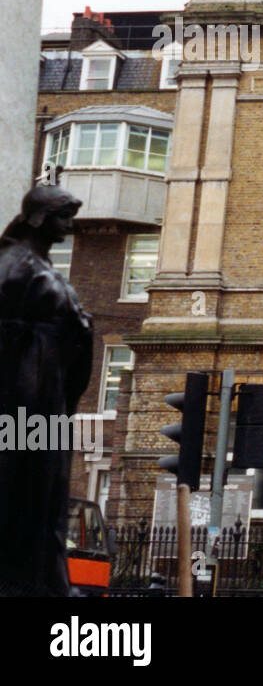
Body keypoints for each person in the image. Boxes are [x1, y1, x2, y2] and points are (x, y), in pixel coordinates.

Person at [0, 185, 92, 597]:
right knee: (25, 485)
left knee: (51, 489)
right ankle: (25, 580)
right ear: (39, 218)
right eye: (62, 216)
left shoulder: (41, 266)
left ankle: (47, 579)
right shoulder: (13, 265)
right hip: (24, 400)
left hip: (49, 400)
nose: (69, 226)